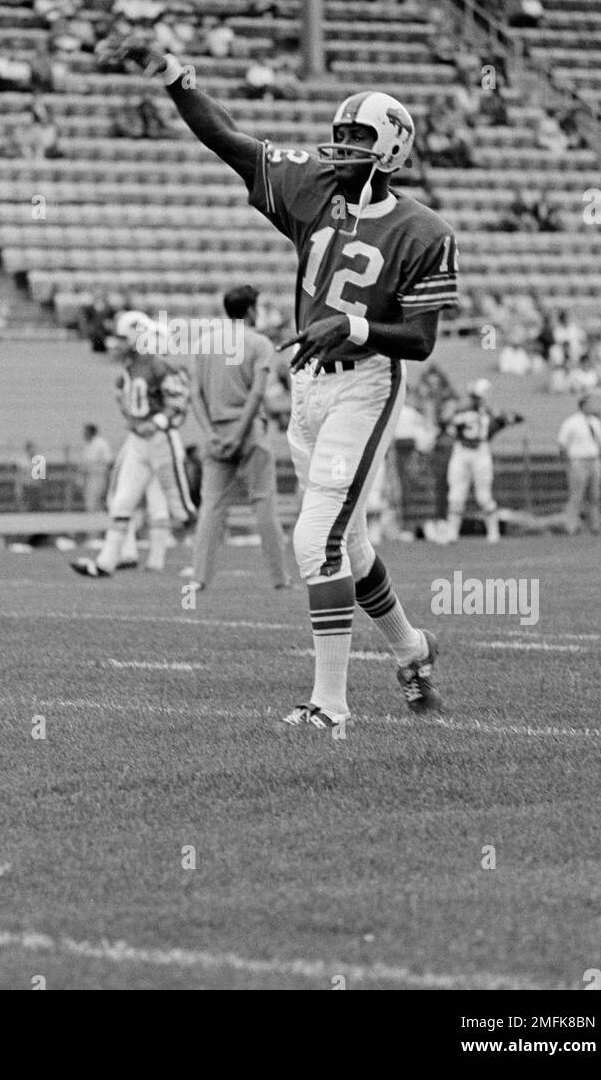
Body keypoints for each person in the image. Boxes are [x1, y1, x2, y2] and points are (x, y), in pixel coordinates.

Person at [144, 45, 461, 730]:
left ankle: (330, 706)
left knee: (314, 536)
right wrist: (173, 77)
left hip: (365, 388)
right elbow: (226, 139)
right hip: (310, 391)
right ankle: (411, 649)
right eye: (340, 135)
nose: (340, 147)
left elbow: (421, 340)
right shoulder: (313, 189)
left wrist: (349, 326)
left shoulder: (422, 232)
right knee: (346, 544)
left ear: (391, 151)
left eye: (357, 140)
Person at [71, 312, 195, 577]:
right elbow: (104, 356)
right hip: (140, 442)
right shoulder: (127, 370)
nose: (117, 344)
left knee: (179, 506)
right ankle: (105, 563)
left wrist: (159, 421)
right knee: (121, 502)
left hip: (161, 441)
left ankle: (199, 562)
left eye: (123, 338)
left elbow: (180, 399)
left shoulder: (158, 365)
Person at [188, 284, 290, 591]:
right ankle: (279, 579)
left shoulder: (204, 343)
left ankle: (199, 579)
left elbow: (195, 394)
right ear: (249, 310)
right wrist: (242, 433)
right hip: (250, 432)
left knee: (211, 507)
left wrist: (211, 434)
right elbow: (258, 393)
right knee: (264, 503)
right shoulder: (260, 343)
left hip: (216, 430)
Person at [444, 379, 524, 543]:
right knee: (458, 496)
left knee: (479, 496)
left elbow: (448, 426)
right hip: (469, 451)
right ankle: (456, 533)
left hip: (474, 451)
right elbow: (515, 418)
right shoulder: (487, 413)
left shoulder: (467, 411)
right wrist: (505, 419)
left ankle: (490, 533)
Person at [557, 396, 601, 535]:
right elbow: (562, 442)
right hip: (578, 460)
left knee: (594, 495)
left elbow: (599, 441)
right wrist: (567, 460)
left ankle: (595, 525)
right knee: (577, 494)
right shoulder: (572, 422)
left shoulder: (595, 422)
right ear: (582, 406)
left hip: (594, 459)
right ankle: (571, 526)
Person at [80, 423, 113, 518]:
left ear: (91, 432)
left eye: (85, 432)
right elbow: (85, 463)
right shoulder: (87, 445)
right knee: (90, 503)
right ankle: (94, 530)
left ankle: (98, 527)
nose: (84, 434)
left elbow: (109, 461)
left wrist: (107, 477)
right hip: (89, 477)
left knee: (93, 502)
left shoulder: (101, 444)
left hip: (99, 476)